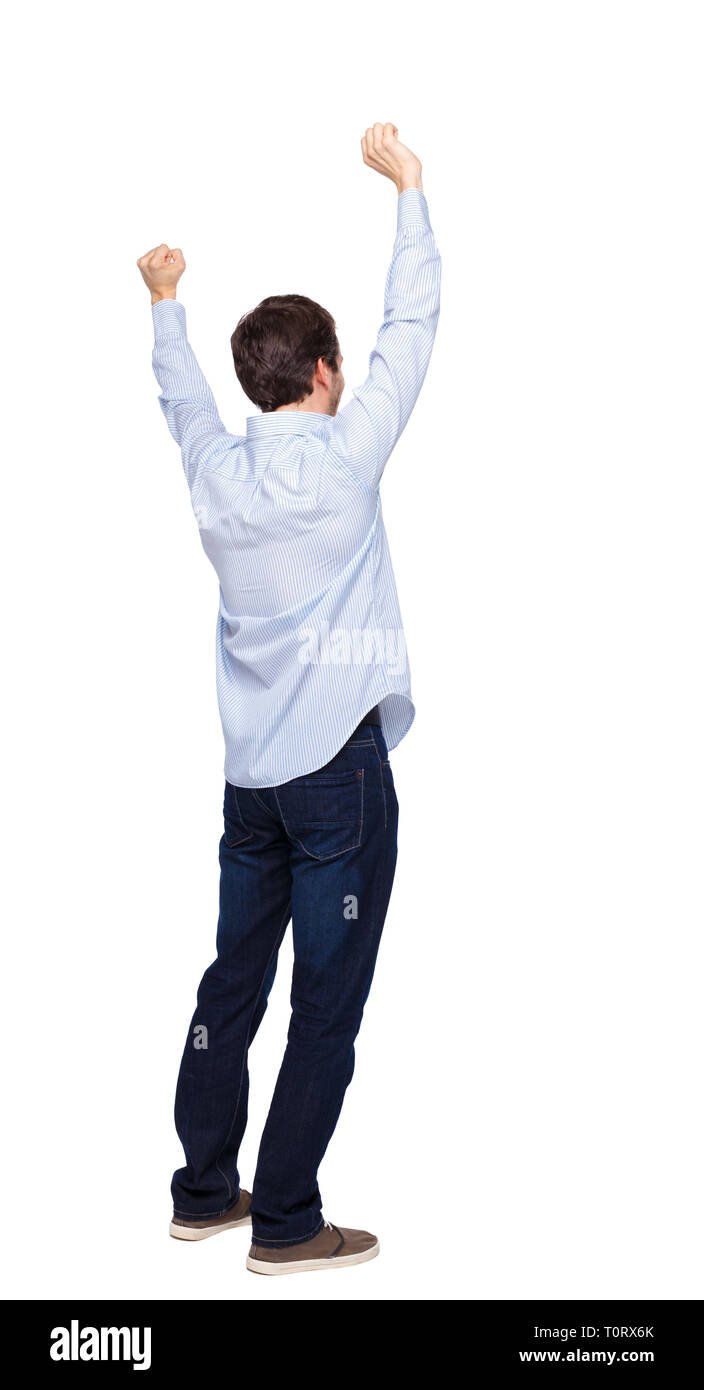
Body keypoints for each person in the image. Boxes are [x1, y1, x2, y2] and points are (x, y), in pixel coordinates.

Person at [137, 122, 441, 1275]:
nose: (350, 375)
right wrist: (409, 191)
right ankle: (283, 1220)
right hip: (333, 788)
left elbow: (180, 401)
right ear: (320, 374)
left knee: (232, 977)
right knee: (324, 1002)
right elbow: (409, 330)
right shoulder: (348, 458)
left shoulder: (217, 475)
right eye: (339, 366)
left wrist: (164, 301)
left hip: (248, 788)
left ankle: (204, 1189)